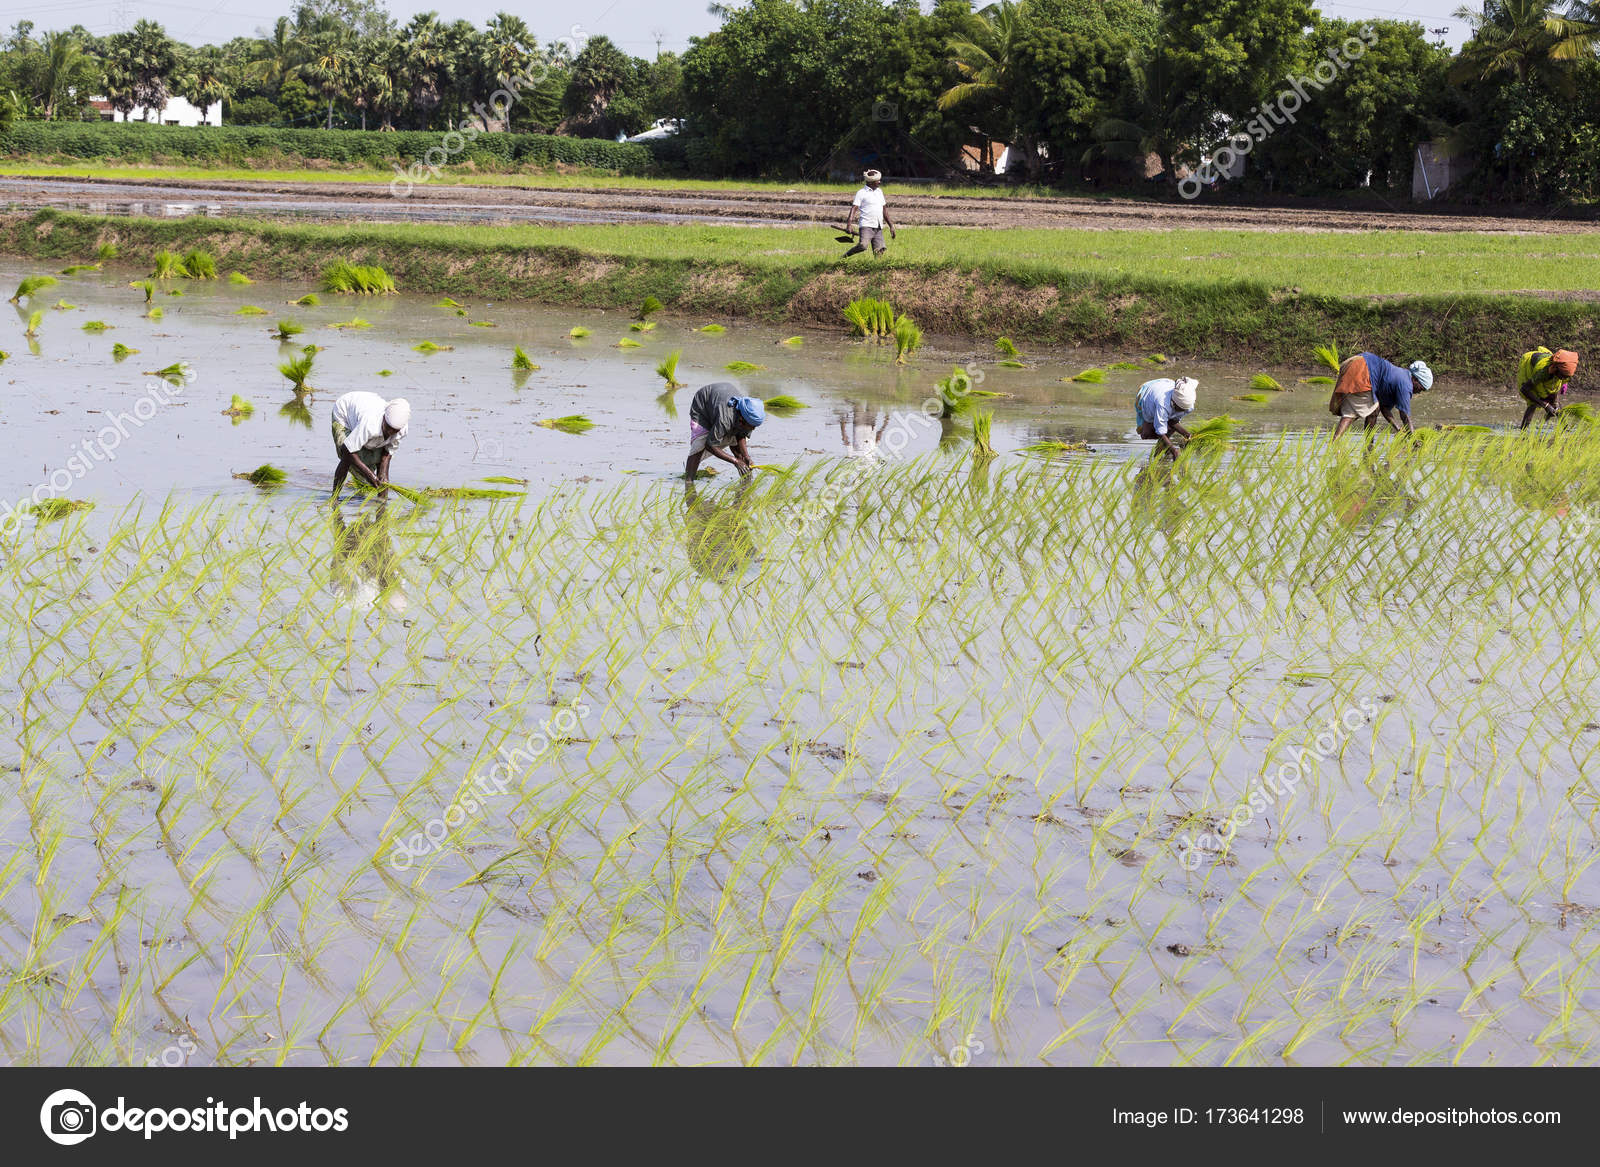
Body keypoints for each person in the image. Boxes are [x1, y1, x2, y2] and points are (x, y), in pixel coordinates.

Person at [1329, 353, 1432, 439]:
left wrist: (1399, 429)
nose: (1419, 392)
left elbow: (1385, 409)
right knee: (1357, 412)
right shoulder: (1406, 384)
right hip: (1363, 369)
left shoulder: (1401, 377)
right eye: (1421, 388)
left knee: (1370, 410)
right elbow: (1405, 416)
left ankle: (1366, 445)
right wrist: (1412, 438)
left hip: (1357, 362)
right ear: (1416, 380)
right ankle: (1338, 443)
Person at [331, 391, 409, 496]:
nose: (390, 433)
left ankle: (380, 502)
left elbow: (386, 456)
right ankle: (334, 497)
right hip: (344, 414)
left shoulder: (402, 429)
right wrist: (370, 475)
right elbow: (347, 450)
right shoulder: (370, 423)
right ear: (384, 420)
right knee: (347, 460)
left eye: (394, 430)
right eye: (388, 428)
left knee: (377, 461)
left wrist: (383, 479)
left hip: (367, 406)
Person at [685, 382, 764, 479]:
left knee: (740, 452)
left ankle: (746, 481)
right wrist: (735, 461)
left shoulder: (749, 416)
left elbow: (741, 435)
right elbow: (710, 445)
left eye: (755, 426)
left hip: (721, 402)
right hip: (703, 406)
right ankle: (688, 482)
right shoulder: (725, 419)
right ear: (741, 421)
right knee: (699, 447)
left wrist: (746, 456)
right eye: (752, 426)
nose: (753, 429)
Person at [1135, 375, 1198, 460]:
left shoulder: (1188, 405)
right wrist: (1174, 450)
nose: (1180, 412)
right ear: (1174, 403)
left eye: (1183, 410)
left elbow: (1173, 421)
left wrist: (1187, 435)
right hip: (1149, 392)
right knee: (1146, 434)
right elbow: (1160, 431)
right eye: (1179, 409)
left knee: (1169, 429)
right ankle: (1166, 448)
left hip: (1166, 386)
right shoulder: (1163, 404)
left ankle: (1161, 450)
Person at [1516, 346, 1580, 428]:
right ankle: (1523, 431)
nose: (1564, 378)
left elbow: (1556, 388)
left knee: (1555, 403)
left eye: (1566, 377)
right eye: (1563, 376)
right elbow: (1524, 389)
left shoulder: (1564, 373)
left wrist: (1555, 402)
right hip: (1529, 366)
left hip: (1548, 367)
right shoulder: (1543, 372)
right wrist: (1545, 405)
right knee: (1532, 404)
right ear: (1556, 369)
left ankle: (1565, 428)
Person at [843, 169, 896, 258]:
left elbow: (884, 210)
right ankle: (844, 257)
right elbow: (854, 208)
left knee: (879, 251)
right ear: (871, 183)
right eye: (877, 181)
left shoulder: (879, 192)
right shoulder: (861, 193)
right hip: (866, 225)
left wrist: (891, 226)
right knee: (863, 246)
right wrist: (849, 224)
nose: (879, 182)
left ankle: (876, 268)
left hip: (878, 226)